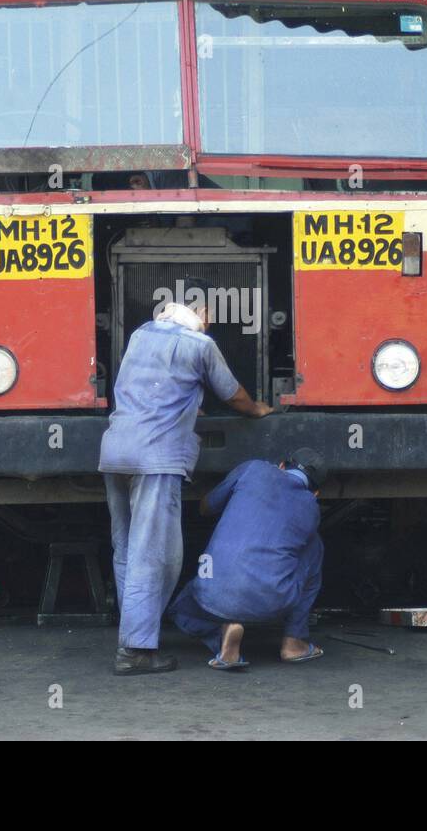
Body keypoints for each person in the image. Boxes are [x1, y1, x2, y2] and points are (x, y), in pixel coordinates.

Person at [100, 279, 273, 675]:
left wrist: (188, 405)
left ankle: (134, 635)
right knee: (156, 555)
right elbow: (233, 394)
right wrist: (258, 410)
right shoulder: (201, 345)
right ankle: (136, 651)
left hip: (115, 451)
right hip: (155, 457)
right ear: (204, 314)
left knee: (126, 550)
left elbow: (150, 387)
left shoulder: (141, 335)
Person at [168, 449, 326, 670]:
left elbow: (206, 507)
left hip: (211, 595)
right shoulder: (311, 508)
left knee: (179, 610)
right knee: (314, 546)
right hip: (271, 601)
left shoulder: (254, 468)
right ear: (316, 492)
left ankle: (222, 637)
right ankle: (294, 641)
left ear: (281, 465)